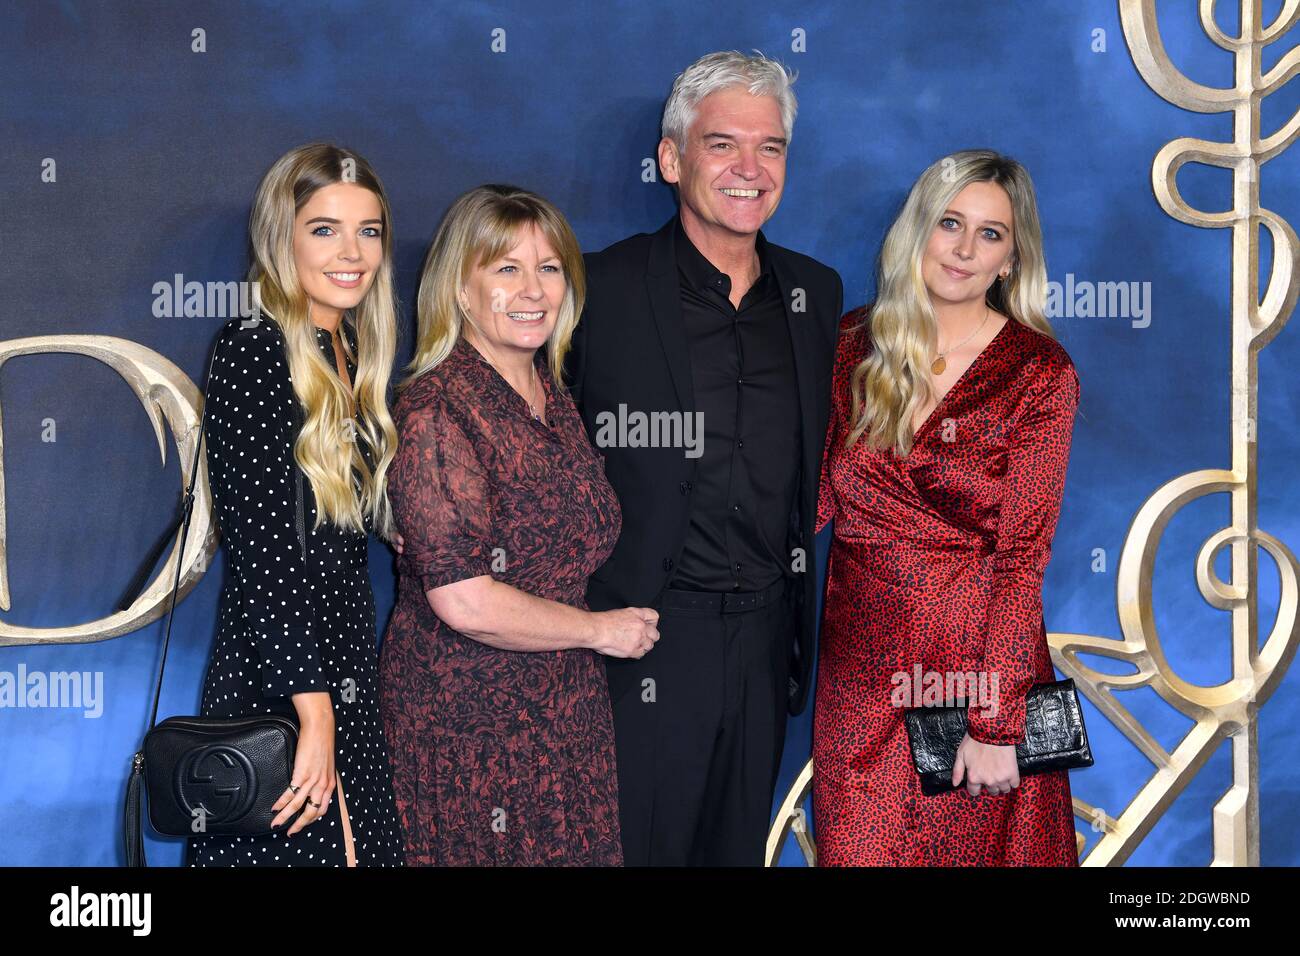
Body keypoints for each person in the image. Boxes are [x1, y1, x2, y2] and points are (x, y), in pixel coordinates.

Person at [566, 51, 843, 866]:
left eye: (771, 148)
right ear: (671, 158)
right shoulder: (596, 290)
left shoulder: (814, 295)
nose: (749, 170)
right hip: (642, 638)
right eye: (723, 144)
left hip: (765, 640)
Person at [814, 149, 1081, 866]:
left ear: (1012, 258)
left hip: (974, 672)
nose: (964, 249)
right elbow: (807, 502)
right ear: (917, 232)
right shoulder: (852, 343)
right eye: (950, 223)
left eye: (990, 234)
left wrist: (996, 723)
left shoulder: (1039, 373)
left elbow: (1024, 559)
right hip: (860, 680)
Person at [379, 184, 658, 866]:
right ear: (460, 289)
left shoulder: (549, 391)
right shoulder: (438, 409)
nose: (534, 289)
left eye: (550, 267)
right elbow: (465, 599)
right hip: (470, 722)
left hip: (563, 712)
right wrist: (601, 630)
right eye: (506, 268)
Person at [187, 143, 405, 866]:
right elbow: (264, 555)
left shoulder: (351, 357)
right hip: (279, 675)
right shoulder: (253, 350)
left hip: (344, 666)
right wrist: (313, 713)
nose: (352, 252)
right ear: (283, 239)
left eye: (368, 230)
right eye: (324, 229)